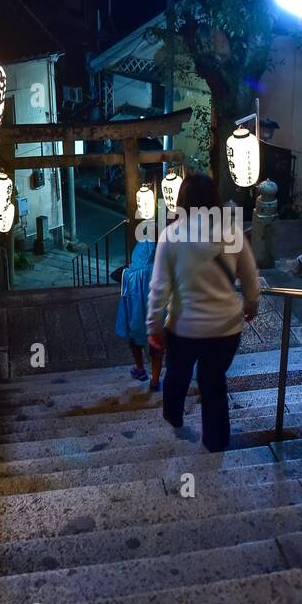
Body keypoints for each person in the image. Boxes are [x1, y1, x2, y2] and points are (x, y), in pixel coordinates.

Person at [146, 174, 261, 452]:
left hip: (183, 328)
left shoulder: (171, 236)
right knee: (213, 382)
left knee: (177, 374)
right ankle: (216, 441)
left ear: (182, 201)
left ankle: (173, 417)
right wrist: (250, 306)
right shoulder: (232, 232)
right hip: (226, 329)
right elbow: (251, 281)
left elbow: (159, 288)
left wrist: (153, 327)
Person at [115, 238, 162, 390]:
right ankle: (155, 380)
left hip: (136, 315)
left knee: (134, 340)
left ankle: (140, 369)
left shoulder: (130, 274)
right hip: (157, 315)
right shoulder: (160, 271)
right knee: (157, 346)